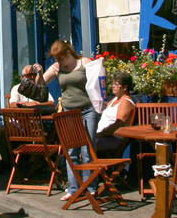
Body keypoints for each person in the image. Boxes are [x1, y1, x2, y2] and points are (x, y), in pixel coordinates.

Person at [34, 40, 99, 202]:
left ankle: (90, 187)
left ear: (68, 52)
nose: (58, 61)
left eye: (60, 57)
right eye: (56, 58)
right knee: (71, 151)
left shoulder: (84, 63)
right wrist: (40, 73)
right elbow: (40, 84)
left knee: (88, 149)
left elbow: (98, 82)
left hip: (87, 110)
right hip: (69, 112)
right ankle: (73, 188)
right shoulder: (57, 67)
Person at [94, 72, 136, 159]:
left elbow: (119, 124)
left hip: (113, 139)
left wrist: (100, 134)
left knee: (85, 147)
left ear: (125, 87)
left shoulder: (126, 102)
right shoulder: (115, 99)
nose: (113, 86)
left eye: (116, 84)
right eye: (113, 83)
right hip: (103, 137)